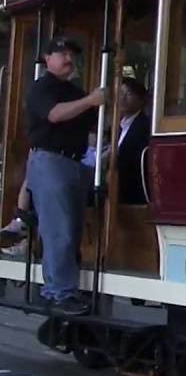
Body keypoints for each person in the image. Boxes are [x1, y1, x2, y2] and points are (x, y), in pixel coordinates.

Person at [25, 37, 105, 316]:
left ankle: (58, 289)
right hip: (50, 160)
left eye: (71, 54)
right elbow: (55, 115)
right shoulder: (41, 87)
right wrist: (91, 100)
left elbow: (91, 127)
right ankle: (59, 292)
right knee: (58, 229)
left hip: (74, 162)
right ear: (47, 58)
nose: (68, 58)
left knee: (70, 229)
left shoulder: (74, 91)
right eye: (62, 53)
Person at [81, 77, 151, 206]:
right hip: (114, 190)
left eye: (128, 94)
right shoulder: (118, 126)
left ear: (141, 100)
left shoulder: (144, 126)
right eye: (120, 93)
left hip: (132, 192)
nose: (122, 98)